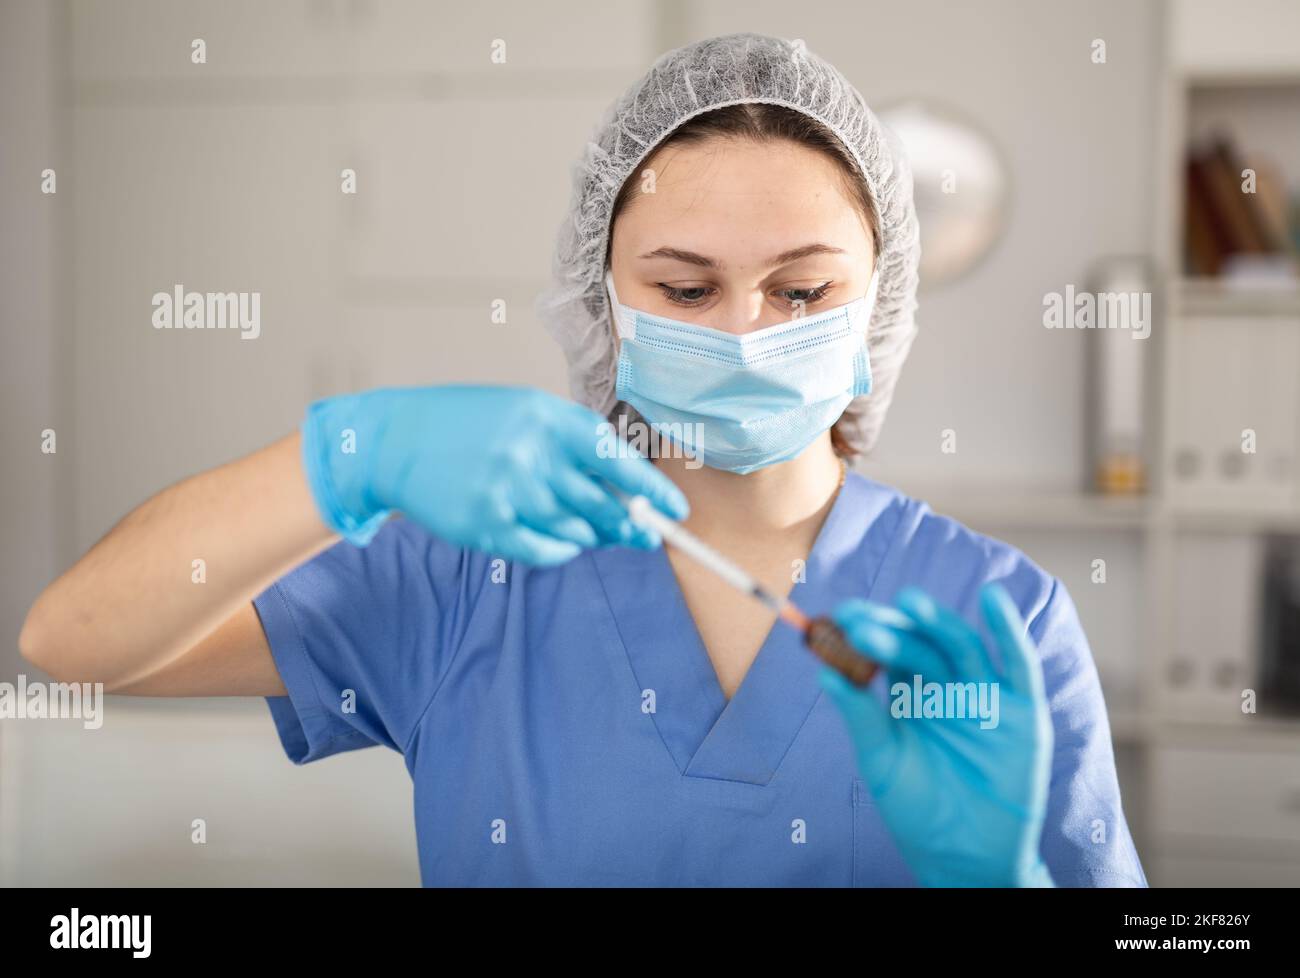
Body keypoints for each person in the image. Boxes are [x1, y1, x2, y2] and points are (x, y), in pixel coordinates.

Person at [20, 33, 1145, 887]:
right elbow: (75, 642)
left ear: (879, 307)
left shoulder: (996, 617)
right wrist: (353, 453)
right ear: (603, 301)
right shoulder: (467, 572)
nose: (746, 332)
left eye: (802, 291)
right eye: (685, 288)